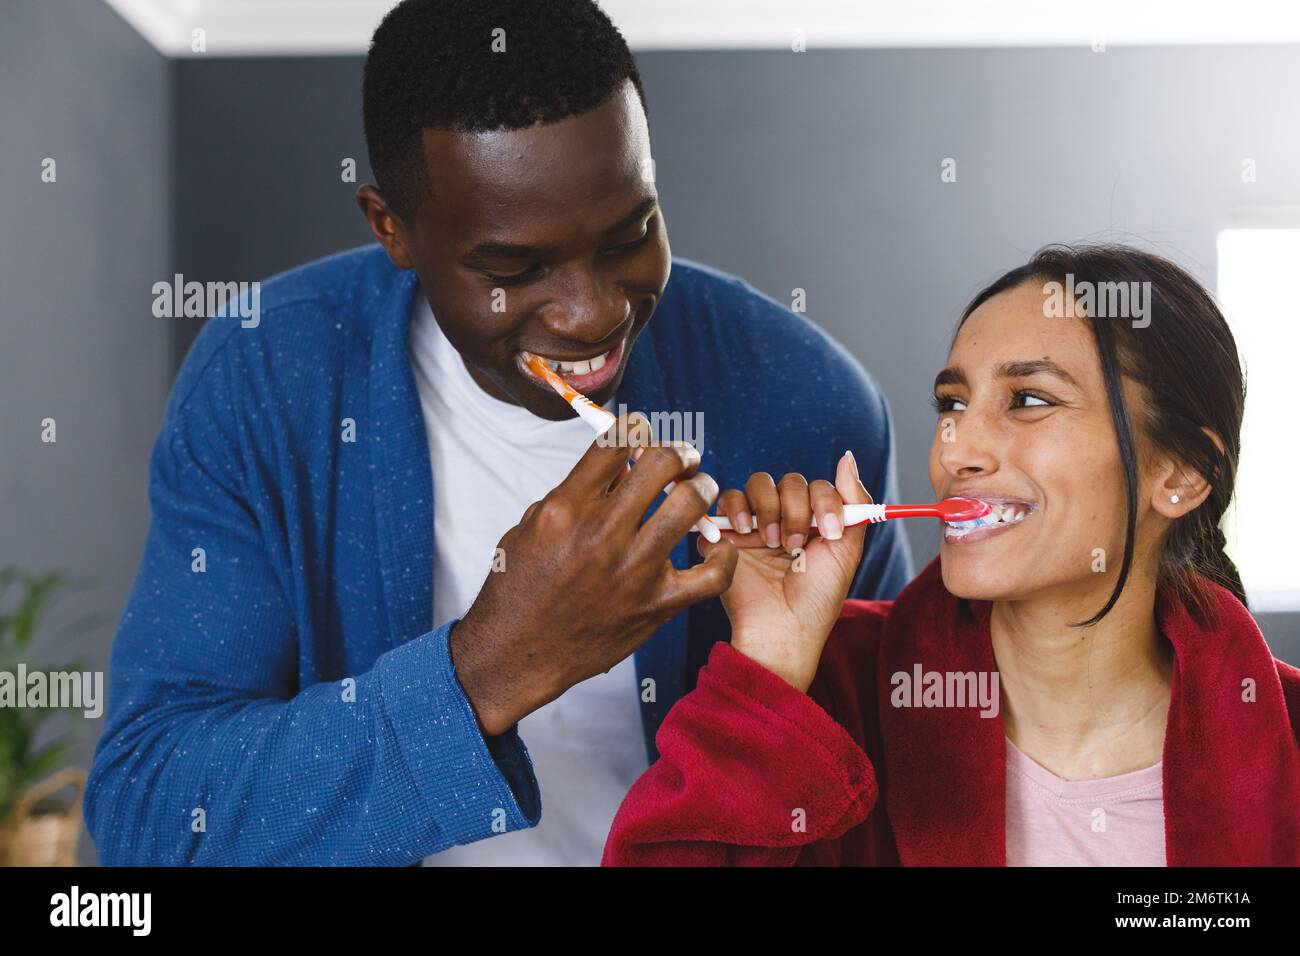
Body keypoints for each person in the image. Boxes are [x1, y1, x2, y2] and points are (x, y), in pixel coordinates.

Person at [82, 0, 911, 866]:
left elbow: (902, 793)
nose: (595, 314)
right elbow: (151, 812)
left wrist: (773, 671)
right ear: (390, 227)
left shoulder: (806, 395)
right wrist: (491, 668)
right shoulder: (264, 377)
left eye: (630, 235)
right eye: (514, 270)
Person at [603, 243, 1300, 866]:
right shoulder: (830, 693)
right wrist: (769, 662)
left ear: (1179, 475)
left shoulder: (1288, 736)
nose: (955, 449)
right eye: (952, 403)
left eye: (1027, 400)